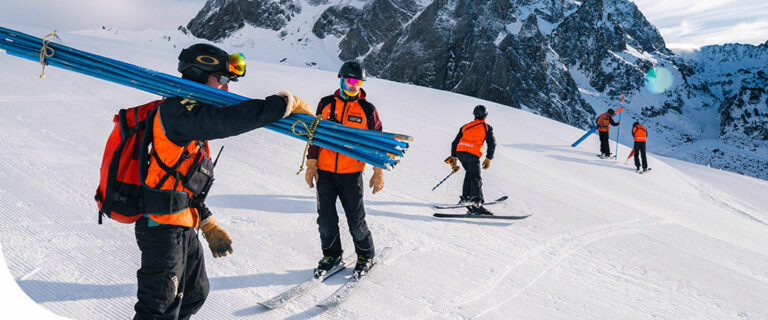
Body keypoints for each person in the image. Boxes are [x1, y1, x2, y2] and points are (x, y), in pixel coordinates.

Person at [133, 43, 314, 320]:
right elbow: (227, 120)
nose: (227, 88)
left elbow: (183, 182)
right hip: (162, 229)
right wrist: (282, 105)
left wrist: (207, 222)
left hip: (181, 224)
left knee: (194, 293)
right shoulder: (176, 110)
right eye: (222, 79)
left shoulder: (192, 112)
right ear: (198, 73)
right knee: (158, 310)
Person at [304, 61, 383, 279]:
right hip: (325, 173)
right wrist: (311, 164)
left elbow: (378, 142)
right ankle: (332, 256)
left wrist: (378, 170)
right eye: (350, 80)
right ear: (341, 80)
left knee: (356, 220)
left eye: (358, 82)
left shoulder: (368, 110)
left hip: (351, 174)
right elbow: (314, 135)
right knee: (325, 220)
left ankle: (365, 256)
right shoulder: (326, 104)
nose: (353, 85)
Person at [448, 105, 496, 215]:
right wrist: (488, 158)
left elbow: (454, 142)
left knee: (470, 173)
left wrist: (454, 157)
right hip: (472, 155)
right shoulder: (487, 127)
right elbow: (492, 143)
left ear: (474, 115)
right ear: (485, 116)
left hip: (460, 153)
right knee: (476, 178)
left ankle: (466, 197)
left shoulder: (465, 126)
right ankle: (476, 205)